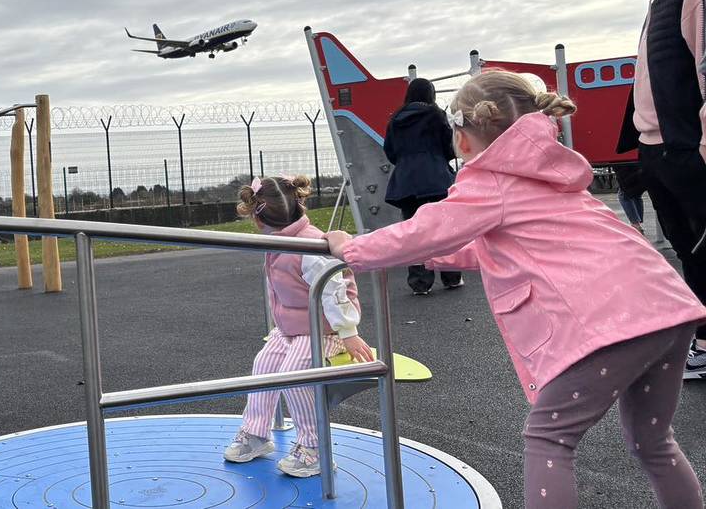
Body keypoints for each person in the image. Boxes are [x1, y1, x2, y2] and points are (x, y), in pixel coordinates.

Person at [323, 71, 706, 508]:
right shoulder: (551, 173)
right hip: (668, 310)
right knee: (652, 440)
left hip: (614, 324)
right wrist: (435, 256)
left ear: (463, 138)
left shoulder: (490, 181)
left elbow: (425, 230)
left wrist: (352, 247)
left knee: (550, 436)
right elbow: (495, 248)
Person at [606, 0, 706, 379]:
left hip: (685, 150)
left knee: (703, 247)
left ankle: (704, 346)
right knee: (690, 248)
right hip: (661, 150)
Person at [222, 175, 373, 478]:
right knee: (263, 364)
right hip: (292, 327)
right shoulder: (278, 240)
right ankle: (255, 433)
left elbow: (335, 290)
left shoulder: (309, 246)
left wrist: (349, 333)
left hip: (325, 329)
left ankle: (314, 448)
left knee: (296, 375)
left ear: (256, 216)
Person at [382, 77, 462, 294]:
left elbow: (390, 150)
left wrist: (407, 162)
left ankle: (419, 282)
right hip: (436, 177)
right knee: (444, 228)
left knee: (414, 230)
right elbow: (450, 145)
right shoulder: (436, 114)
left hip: (406, 181)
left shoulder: (396, 119)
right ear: (431, 94)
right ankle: (451, 276)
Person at [611, 164, 646, 233]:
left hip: (626, 169)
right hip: (638, 167)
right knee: (636, 195)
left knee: (624, 196)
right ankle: (638, 222)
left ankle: (636, 224)